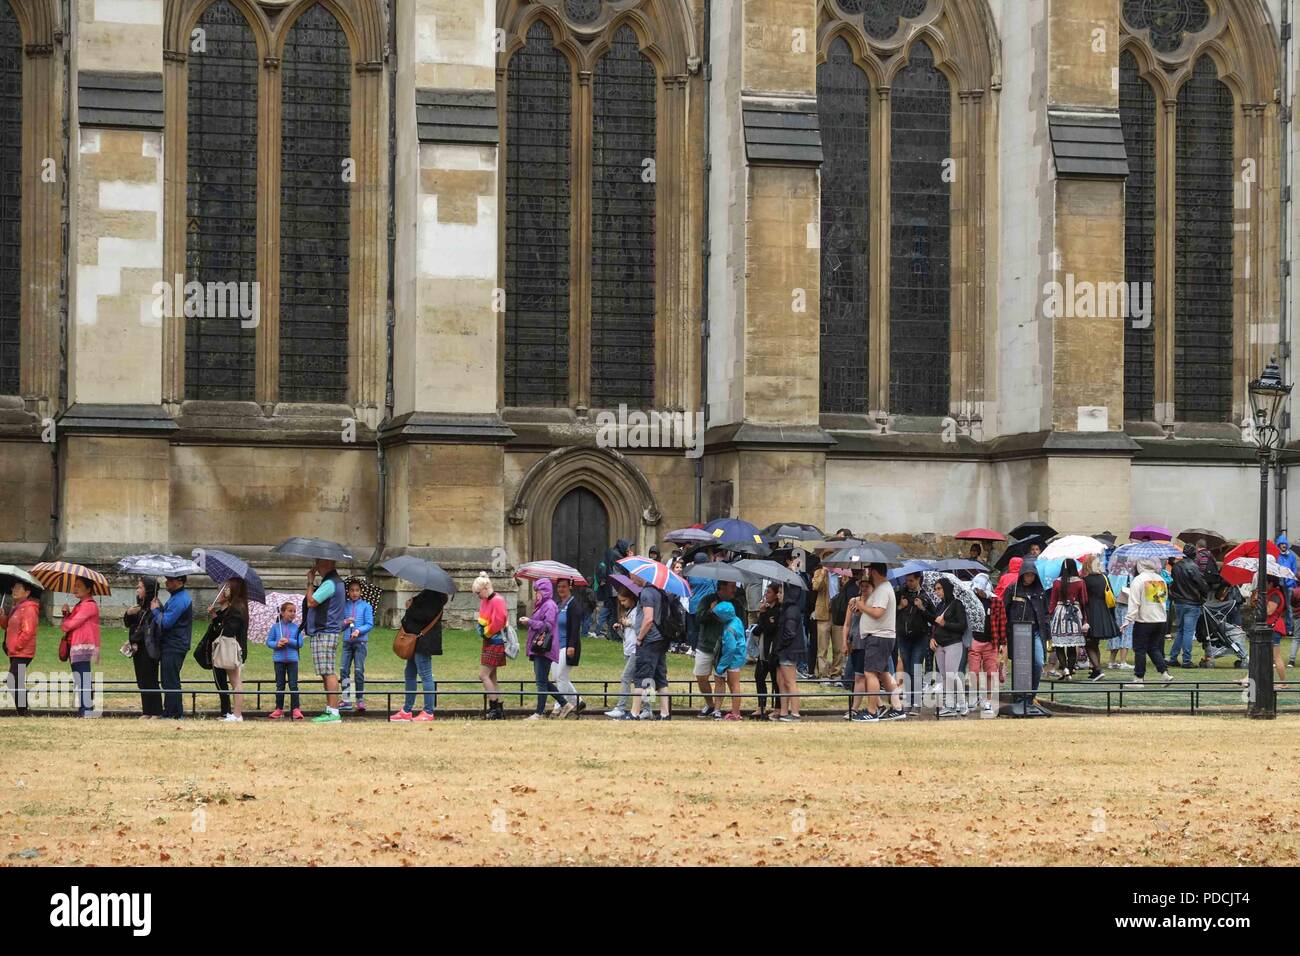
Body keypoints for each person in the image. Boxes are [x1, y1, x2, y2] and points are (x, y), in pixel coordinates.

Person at [849, 564, 905, 722]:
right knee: (883, 673)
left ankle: (872, 711)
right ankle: (898, 707)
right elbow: (872, 609)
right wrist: (860, 605)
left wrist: (862, 606)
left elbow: (877, 613)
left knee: (870, 673)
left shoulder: (882, 589)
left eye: (869, 571)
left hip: (879, 637)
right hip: (881, 636)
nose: (867, 574)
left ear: (874, 572)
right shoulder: (882, 589)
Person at [992, 559, 1049, 708]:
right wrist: (1004, 636)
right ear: (1022, 574)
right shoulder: (1013, 589)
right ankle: (1019, 698)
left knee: (1038, 663)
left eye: (1032, 575)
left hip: (1035, 632)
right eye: (1027, 575)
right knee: (1020, 666)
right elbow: (1004, 612)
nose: (1029, 578)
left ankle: (1031, 695)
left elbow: (1045, 614)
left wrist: (1047, 636)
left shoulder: (1040, 591)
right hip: (1018, 634)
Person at [390, 588, 446, 722]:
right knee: (409, 673)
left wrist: (411, 607)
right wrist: (413, 601)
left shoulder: (435, 596)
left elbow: (423, 616)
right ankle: (407, 710)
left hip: (424, 641)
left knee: (425, 675)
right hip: (415, 641)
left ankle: (428, 711)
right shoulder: (427, 594)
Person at [304, 558, 347, 722]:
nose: (316, 567)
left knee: (328, 672)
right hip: (326, 631)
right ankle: (330, 709)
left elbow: (311, 601)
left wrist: (310, 582)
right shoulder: (335, 582)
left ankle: (334, 712)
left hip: (325, 631)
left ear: (328, 564)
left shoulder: (330, 583)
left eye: (318, 564)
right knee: (325, 671)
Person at [522, 579, 567, 720]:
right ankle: (564, 703)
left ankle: (539, 713)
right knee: (542, 680)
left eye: (538, 591)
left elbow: (547, 626)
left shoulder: (549, 605)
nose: (536, 594)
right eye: (535, 592)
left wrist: (529, 622)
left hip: (544, 648)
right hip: (539, 648)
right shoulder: (543, 605)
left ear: (545, 591)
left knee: (541, 682)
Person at [1125, 558, 1175, 687]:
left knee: (1140, 649)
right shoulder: (1161, 579)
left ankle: (1139, 678)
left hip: (1145, 620)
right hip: (1160, 619)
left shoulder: (1139, 580)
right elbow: (1163, 599)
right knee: (1153, 647)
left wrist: (1128, 619)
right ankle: (1165, 674)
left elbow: (1134, 602)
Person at [627, 579, 672, 721]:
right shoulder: (659, 592)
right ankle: (664, 713)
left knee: (642, 676)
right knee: (658, 677)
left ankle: (635, 712)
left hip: (649, 640)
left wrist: (640, 638)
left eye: (632, 575)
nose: (631, 578)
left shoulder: (646, 593)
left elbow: (648, 618)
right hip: (661, 639)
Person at [693, 578, 737, 718]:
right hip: (705, 645)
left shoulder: (735, 602)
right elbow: (698, 618)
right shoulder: (707, 600)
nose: (734, 590)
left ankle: (717, 709)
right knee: (701, 676)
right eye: (731, 587)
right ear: (721, 588)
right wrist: (711, 611)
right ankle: (710, 704)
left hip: (724, 646)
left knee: (720, 678)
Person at [152, 574, 193, 720]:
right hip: (173, 644)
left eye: (170, 580)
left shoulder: (180, 599)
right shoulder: (177, 597)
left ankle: (175, 713)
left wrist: (156, 610)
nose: (167, 582)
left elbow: (167, 622)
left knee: (171, 680)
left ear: (179, 582)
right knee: (167, 679)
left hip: (175, 644)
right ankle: (169, 711)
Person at [61, 577, 101, 718]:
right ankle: (84, 707)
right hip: (77, 645)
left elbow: (70, 625)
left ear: (88, 589)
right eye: (75, 586)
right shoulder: (81, 605)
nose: (75, 588)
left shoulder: (88, 605)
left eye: (79, 586)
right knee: (80, 677)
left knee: (83, 677)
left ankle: (87, 709)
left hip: (83, 645)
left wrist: (66, 619)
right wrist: (66, 614)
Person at [895, 571, 934, 712]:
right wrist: (900, 607)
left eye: (911, 580)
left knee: (916, 668)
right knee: (907, 668)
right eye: (907, 580)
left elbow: (933, 618)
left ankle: (916, 702)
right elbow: (891, 613)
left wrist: (922, 608)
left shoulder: (925, 596)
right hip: (903, 636)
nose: (909, 583)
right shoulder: (900, 594)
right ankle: (909, 700)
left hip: (920, 637)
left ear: (918, 580)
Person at [211, 578, 249, 722]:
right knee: (235, 680)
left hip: (233, 647)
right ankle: (236, 714)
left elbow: (230, 629)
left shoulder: (236, 608)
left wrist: (221, 622)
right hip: (235, 646)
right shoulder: (238, 606)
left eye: (227, 587)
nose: (225, 590)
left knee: (236, 681)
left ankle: (237, 714)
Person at [123, 578, 162, 718]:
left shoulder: (155, 605)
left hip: (149, 648)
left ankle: (156, 711)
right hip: (137, 649)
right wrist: (129, 613)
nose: (137, 590)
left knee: (150, 679)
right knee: (142, 680)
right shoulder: (139, 606)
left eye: (140, 587)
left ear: (148, 590)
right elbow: (129, 624)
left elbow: (152, 627)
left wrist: (136, 638)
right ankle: (147, 711)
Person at [1, 579, 40, 716]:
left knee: (13, 680)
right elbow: (8, 626)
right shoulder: (16, 607)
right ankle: (22, 710)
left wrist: (16, 646)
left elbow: (28, 631)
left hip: (23, 652)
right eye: (14, 587)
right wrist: (2, 617)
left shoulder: (29, 608)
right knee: (15, 680)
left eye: (19, 588)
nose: (15, 590)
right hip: (14, 652)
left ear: (27, 592)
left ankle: (23, 711)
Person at [930, 577, 969, 716]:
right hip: (940, 644)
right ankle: (950, 705)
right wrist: (932, 637)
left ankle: (962, 704)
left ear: (946, 588)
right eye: (935, 589)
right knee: (945, 676)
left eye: (939, 588)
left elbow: (962, 626)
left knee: (952, 674)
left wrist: (945, 624)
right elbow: (935, 624)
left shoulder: (957, 604)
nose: (937, 592)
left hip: (953, 643)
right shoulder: (940, 605)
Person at [473, 572, 509, 719]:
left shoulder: (497, 600)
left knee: (483, 675)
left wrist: (486, 632)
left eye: (478, 592)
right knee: (492, 676)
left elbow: (499, 621)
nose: (477, 595)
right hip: (489, 641)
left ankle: (494, 708)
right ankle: (499, 709)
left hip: (495, 641)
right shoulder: (487, 600)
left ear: (485, 588)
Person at [1167, 544, 1208, 668]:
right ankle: (1186, 660)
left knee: (1181, 631)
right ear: (1194, 554)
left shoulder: (1176, 567)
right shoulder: (1193, 567)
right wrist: (1204, 595)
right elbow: (1202, 584)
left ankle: (1173, 658)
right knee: (1188, 632)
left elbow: (1173, 583)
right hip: (1192, 603)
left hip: (1179, 602)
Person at [1047, 558, 1088, 680]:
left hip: (1060, 613)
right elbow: (1084, 601)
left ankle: (1064, 668)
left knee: (1059, 644)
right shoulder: (1080, 582)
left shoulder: (1057, 582)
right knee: (1072, 645)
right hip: (1075, 614)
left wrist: (1049, 614)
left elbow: (1053, 601)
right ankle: (1069, 670)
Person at [772, 582, 807, 721]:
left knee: (790, 681)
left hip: (789, 650)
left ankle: (795, 713)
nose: (778, 595)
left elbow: (789, 632)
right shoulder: (785, 609)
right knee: (781, 682)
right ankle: (784, 711)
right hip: (783, 650)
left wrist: (780, 646)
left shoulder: (791, 610)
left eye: (781, 593)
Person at [967, 573, 1001, 715]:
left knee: (990, 673)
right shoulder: (972, 601)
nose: (978, 591)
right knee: (974, 672)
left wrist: (1002, 643)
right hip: (975, 640)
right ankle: (975, 697)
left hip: (990, 642)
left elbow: (1001, 623)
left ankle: (988, 700)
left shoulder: (995, 601)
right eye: (976, 589)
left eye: (980, 589)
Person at [551, 578, 586, 717]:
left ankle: (559, 705)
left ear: (569, 587)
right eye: (559, 587)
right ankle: (578, 701)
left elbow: (575, 628)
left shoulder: (574, 605)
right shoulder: (558, 604)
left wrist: (571, 646)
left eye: (564, 587)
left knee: (561, 676)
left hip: (568, 646)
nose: (561, 589)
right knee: (557, 677)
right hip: (556, 646)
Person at [339, 580, 374, 713]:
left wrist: (359, 630)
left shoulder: (366, 606)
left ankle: (360, 699)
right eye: (352, 590)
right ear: (348, 592)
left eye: (357, 590)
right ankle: (346, 699)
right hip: (347, 643)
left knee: (359, 671)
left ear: (361, 592)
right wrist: (346, 622)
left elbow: (369, 624)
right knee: (343, 669)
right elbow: (340, 626)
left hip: (360, 643)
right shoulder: (344, 606)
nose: (354, 593)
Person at [266, 601, 305, 719]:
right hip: (279, 660)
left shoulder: (296, 628)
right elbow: (269, 642)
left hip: (293, 660)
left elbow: (300, 643)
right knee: (280, 685)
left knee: (293, 685)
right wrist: (277, 644)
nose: (292, 613)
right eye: (289, 611)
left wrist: (289, 641)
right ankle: (279, 709)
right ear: (282, 613)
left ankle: (296, 709)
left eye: (294, 611)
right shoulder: (275, 627)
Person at [1080, 554, 1116, 681]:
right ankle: (1095, 670)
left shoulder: (1084, 579)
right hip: (1103, 611)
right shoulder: (1104, 577)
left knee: (1089, 643)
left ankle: (1098, 669)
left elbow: (1082, 598)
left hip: (1090, 611)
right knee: (1095, 643)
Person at [605, 587, 640, 718]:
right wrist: (620, 628)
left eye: (624, 600)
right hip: (629, 648)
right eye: (620, 601)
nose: (622, 603)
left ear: (632, 598)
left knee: (626, 678)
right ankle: (648, 708)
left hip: (636, 650)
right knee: (640, 681)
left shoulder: (638, 611)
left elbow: (641, 625)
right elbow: (626, 635)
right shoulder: (628, 611)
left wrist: (629, 623)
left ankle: (621, 707)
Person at [712, 600, 747, 720]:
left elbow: (730, 649)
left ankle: (736, 713)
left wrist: (721, 666)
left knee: (734, 685)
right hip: (738, 656)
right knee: (734, 685)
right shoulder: (736, 621)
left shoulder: (729, 629)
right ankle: (735, 711)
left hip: (733, 659)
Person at [752, 583, 782, 719]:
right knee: (759, 676)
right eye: (766, 592)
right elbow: (759, 629)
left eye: (769, 592)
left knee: (776, 680)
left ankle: (778, 707)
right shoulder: (766, 609)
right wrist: (762, 615)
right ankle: (761, 705)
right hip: (763, 649)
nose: (766, 595)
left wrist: (764, 615)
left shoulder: (778, 611)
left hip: (772, 650)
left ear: (776, 595)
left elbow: (771, 628)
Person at [809, 560, 836, 678]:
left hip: (837, 614)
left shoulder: (841, 574)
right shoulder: (818, 573)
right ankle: (823, 674)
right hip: (823, 614)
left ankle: (837, 673)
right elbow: (815, 586)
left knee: (838, 648)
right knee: (822, 647)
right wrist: (824, 572)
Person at [1263, 574, 1289, 687]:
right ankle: (1248, 678)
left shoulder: (1275, 595)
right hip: (1272, 627)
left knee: (1276, 657)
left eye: (1265, 583)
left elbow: (1269, 611)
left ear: (1270, 583)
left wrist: (1261, 601)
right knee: (1262, 656)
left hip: (1274, 628)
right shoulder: (1272, 594)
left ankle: (1284, 683)